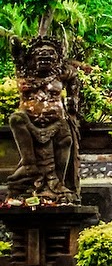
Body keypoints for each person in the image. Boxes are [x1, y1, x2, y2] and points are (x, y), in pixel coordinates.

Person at [7, 36, 80, 203]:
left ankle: (57, 183)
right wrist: (16, 45)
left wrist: (73, 98)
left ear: (56, 59)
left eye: (50, 55)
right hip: (29, 120)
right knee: (16, 119)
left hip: (56, 120)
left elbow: (74, 77)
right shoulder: (24, 71)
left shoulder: (60, 73)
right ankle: (29, 164)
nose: (45, 58)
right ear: (32, 57)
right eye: (40, 55)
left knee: (65, 139)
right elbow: (16, 51)